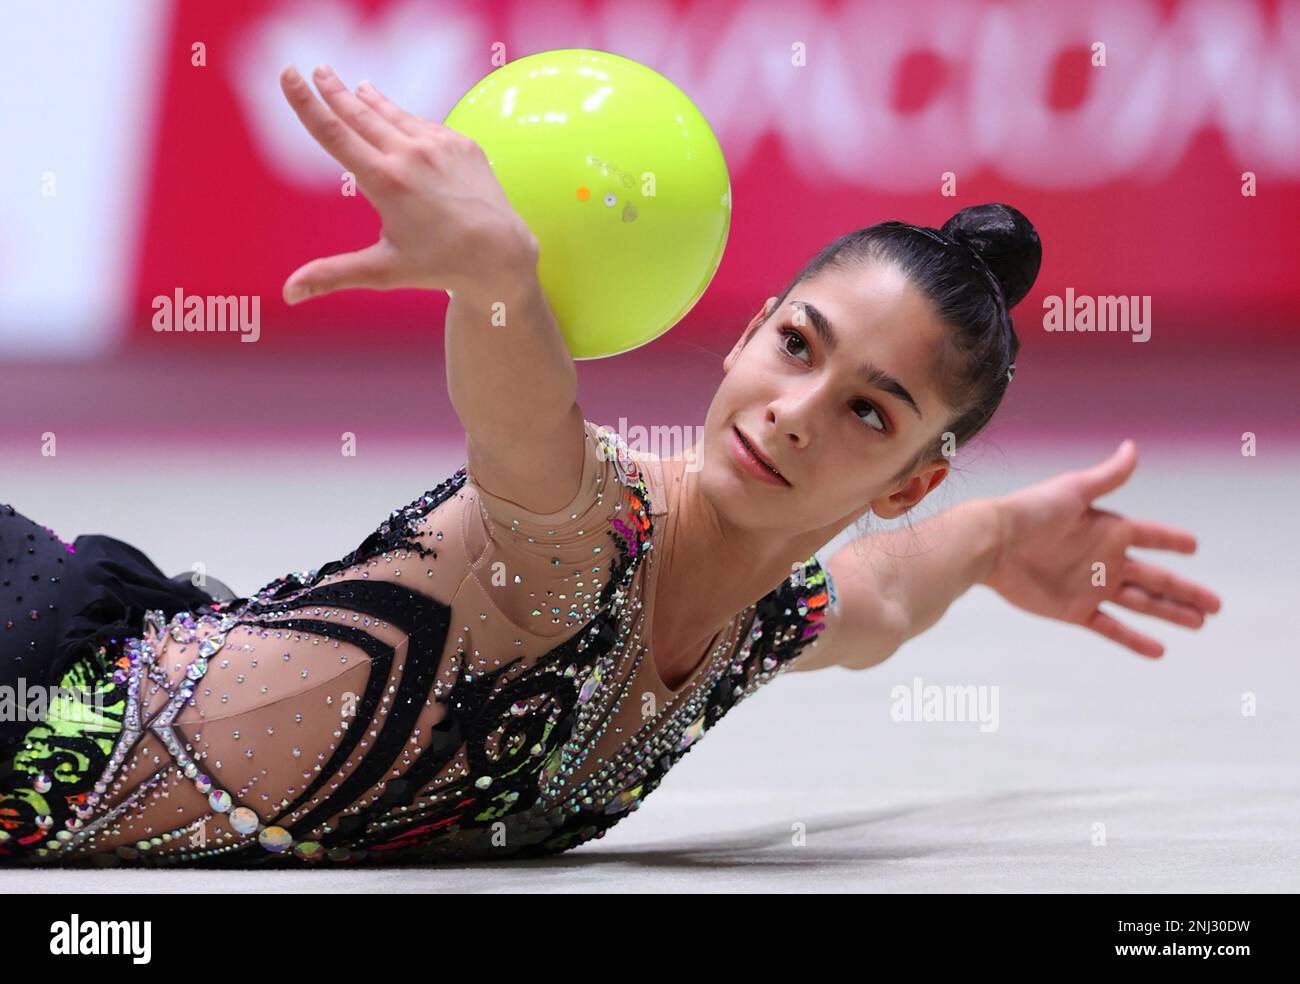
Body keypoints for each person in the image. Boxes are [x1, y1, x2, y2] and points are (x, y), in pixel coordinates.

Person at [0, 66, 1221, 868]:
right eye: (795, 345)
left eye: (868, 413)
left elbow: (887, 595)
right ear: (746, 336)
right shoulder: (584, 532)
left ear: (906, 479)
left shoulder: (757, 623)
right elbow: (526, 423)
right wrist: (497, 284)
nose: (795, 410)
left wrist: (1000, 539)